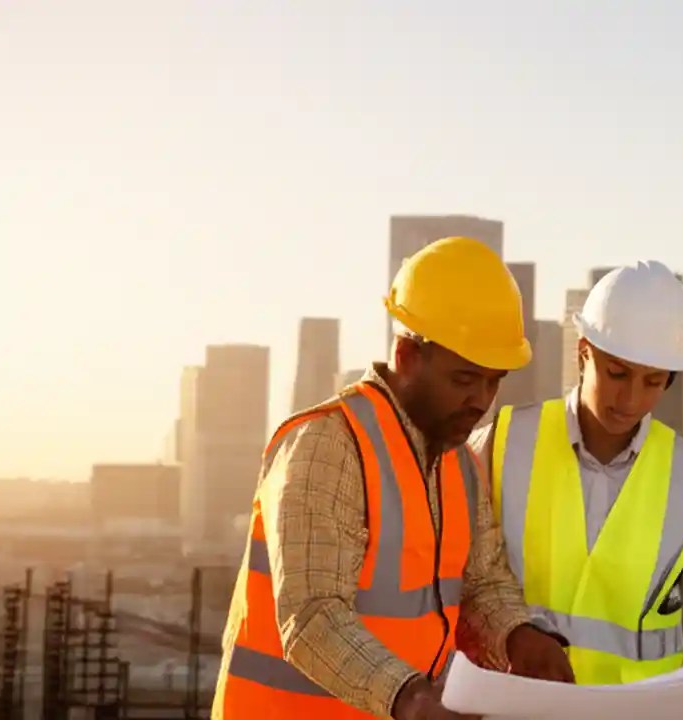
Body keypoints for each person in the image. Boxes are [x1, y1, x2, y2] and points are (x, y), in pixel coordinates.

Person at [212, 236, 574, 720]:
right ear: (406, 355)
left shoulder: (460, 464)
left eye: (493, 381)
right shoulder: (327, 445)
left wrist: (517, 635)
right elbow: (312, 614)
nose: (481, 400)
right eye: (463, 379)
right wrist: (410, 697)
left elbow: (483, 583)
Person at [469, 260, 683, 717]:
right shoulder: (504, 443)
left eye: (653, 381)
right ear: (583, 352)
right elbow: (462, 578)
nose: (632, 398)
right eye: (617, 373)